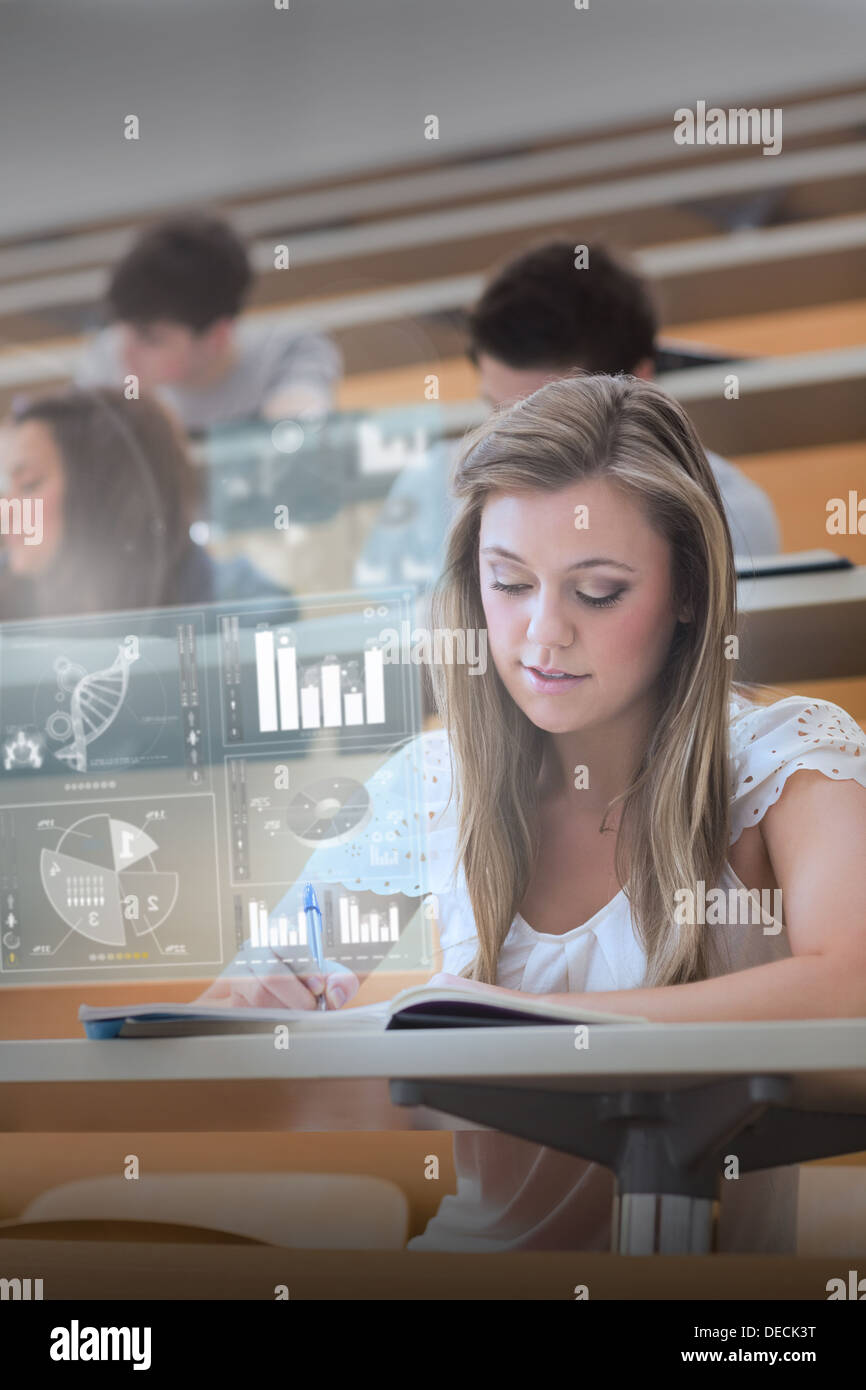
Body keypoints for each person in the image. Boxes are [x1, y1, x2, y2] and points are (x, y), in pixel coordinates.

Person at [198, 374, 866, 1254]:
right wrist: (262, 1016)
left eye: (596, 592)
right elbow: (245, 1021)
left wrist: (526, 1031)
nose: (541, 636)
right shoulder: (434, 781)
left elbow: (851, 985)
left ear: (689, 591)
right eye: (508, 583)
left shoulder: (788, 758)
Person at [355, 240, 780, 590]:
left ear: (639, 381)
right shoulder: (430, 486)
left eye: (551, 418)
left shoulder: (728, 514)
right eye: (497, 414)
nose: (511, 443)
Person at [0, 388, 287, 621]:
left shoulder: (244, 607)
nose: (6, 509)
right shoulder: (15, 596)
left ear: (103, 495)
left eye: (29, 485)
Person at [74, 213, 342, 434]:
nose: (125, 351)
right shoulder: (104, 362)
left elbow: (300, 435)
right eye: (121, 326)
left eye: (150, 338)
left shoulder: (288, 352)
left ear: (216, 337)